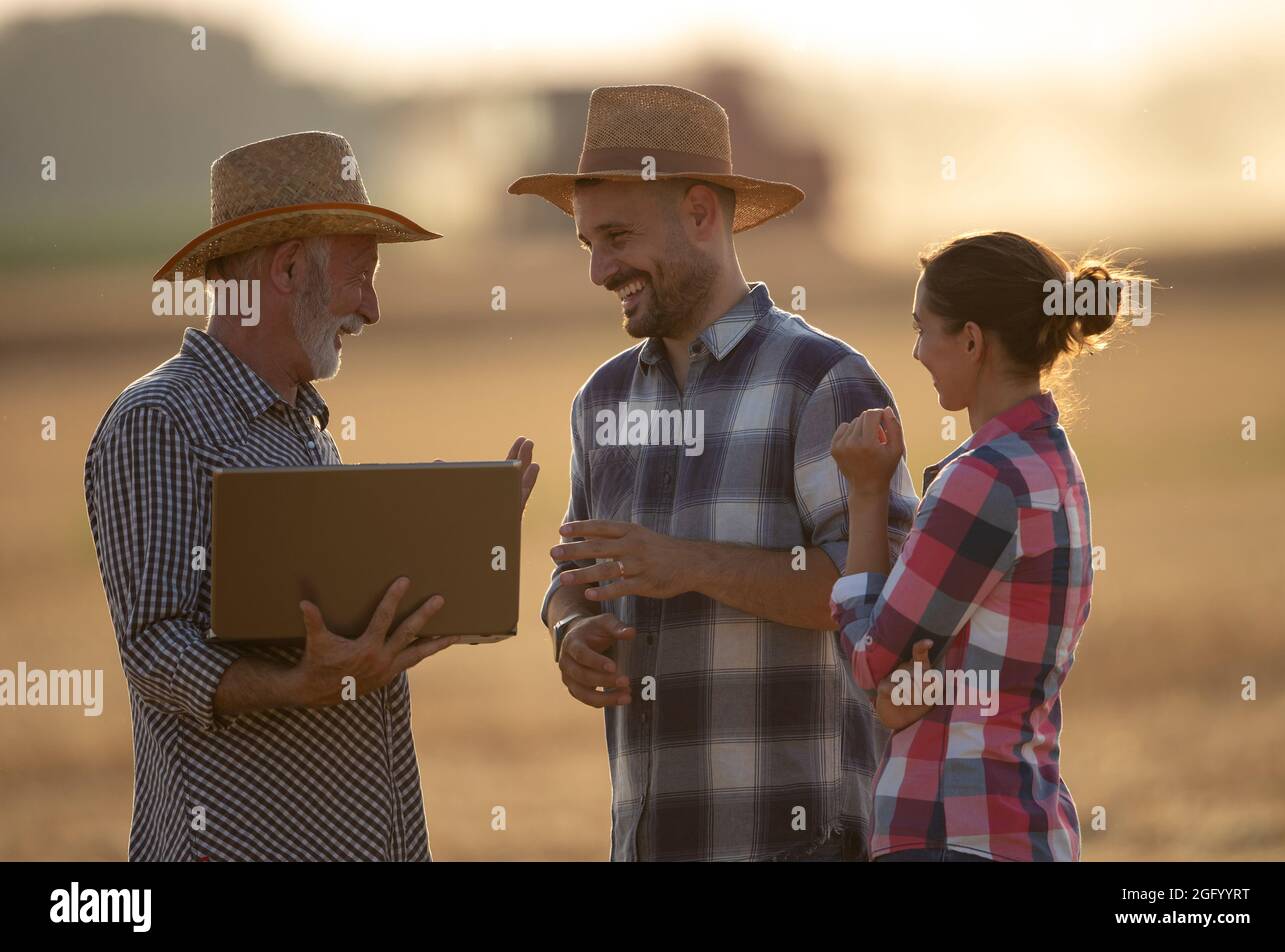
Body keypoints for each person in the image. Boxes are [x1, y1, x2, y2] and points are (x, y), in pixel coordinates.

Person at [84, 131, 539, 861]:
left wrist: (458, 540)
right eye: (362, 276)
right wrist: (300, 684)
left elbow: (342, 617)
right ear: (290, 268)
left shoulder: (302, 426)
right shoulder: (159, 419)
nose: (373, 308)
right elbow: (153, 649)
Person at [510, 85, 917, 861]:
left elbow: (877, 607)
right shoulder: (600, 402)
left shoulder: (821, 381)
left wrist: (687, 565)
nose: (599, 269)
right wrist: (569, 631)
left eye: (617, 237)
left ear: (700, 214)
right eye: (588, 243)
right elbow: (575, 577)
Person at [830, 230, 1142, 861]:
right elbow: (901, 684)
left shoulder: (983, 480)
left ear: (972, 341)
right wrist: (899, 692)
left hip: (952, 829)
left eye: (923, 329)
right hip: (1023, 822)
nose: (916, 351)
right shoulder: (1053, 464)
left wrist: (866, 495)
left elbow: (872, 662)